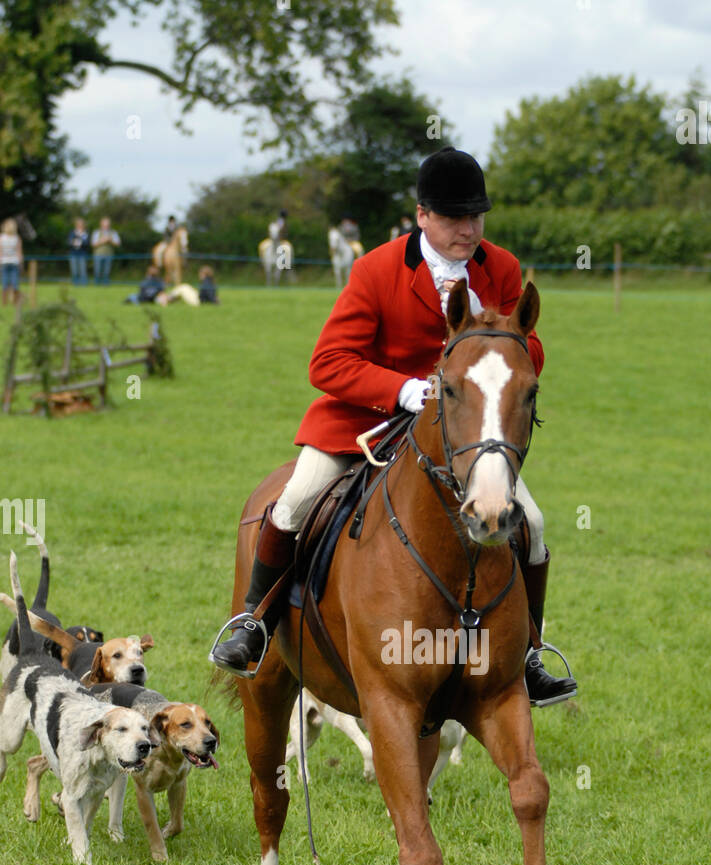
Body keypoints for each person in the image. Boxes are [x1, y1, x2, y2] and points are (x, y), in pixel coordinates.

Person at [211, 147, 576, 706]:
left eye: (476, 217)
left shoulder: (499, 267)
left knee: (534, 521)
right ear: (422, 215)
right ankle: (253, 625)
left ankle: (529, 654)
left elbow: (526, 359)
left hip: (460, 433)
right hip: (368, 422)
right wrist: (405, 390)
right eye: (455, 218)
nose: (469, 230)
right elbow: (327, 363)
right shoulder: (377, 268)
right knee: (295, 501)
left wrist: (498, 334)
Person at [0, 217, 23, 306]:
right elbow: (19, 252)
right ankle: (15, 302)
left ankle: (4, 303)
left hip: (4, 263)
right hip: (14, 262)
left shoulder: (1, 238)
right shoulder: (17, 238)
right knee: (15, 283)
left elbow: (0, 252)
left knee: (4, 283)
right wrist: (21, 263)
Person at [91, 217, 121, 284]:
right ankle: (97, 284)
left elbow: (118, 243)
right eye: (105, 224)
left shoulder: (113, 232)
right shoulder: (96, 232)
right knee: (97, 271)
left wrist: (110, 240)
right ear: (101, 224)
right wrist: (102, 241)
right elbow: (93, 244)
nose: (106, 226)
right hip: (98, 255)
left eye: (108, 224)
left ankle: (106, 285)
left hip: (109, 255)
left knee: (107, 272)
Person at [67, 218, 89, 285]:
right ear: (76, 225)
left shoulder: (85, 233)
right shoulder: (72, 232)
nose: (80, 225)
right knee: (74, 270)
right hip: (73, 254)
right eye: (79, 224)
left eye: (81, 224)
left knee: (83, 270)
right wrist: (79, 241)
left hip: (82, 254)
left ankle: (83, 284)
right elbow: (69, 242)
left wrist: (77, 241)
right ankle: (75, 284)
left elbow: (86, 243)